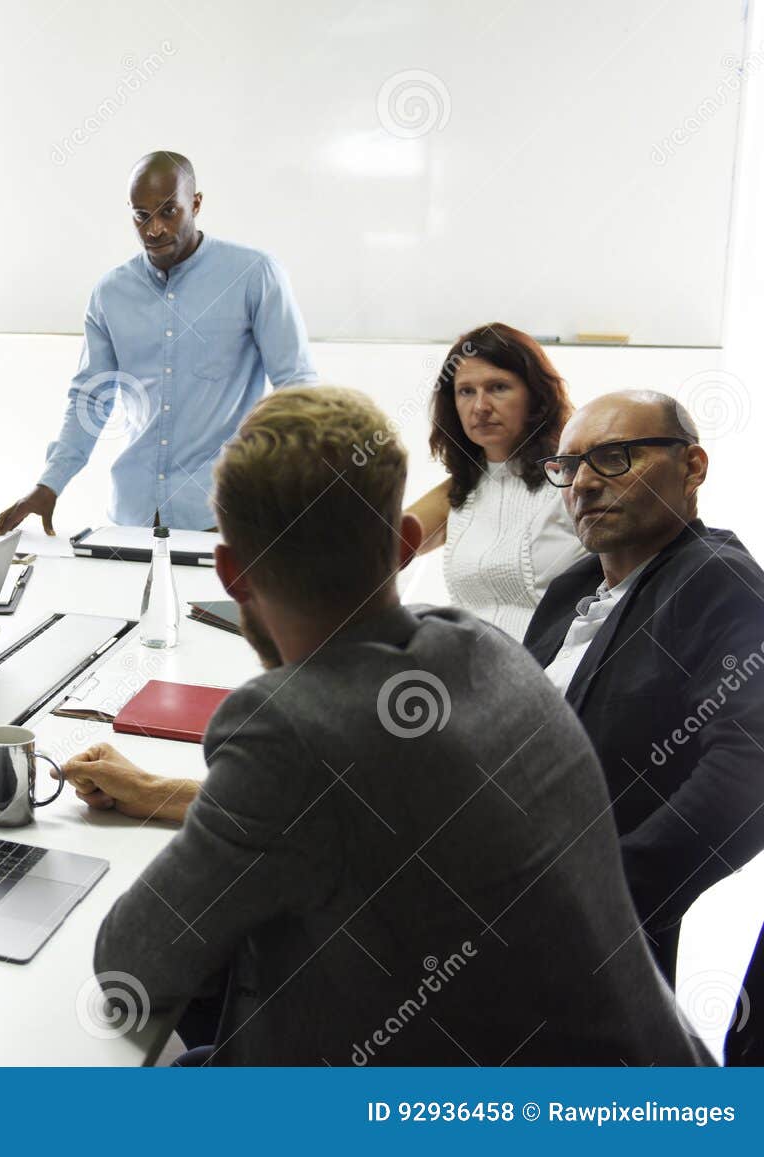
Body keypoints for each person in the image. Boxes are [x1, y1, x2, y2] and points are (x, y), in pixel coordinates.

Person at [65, 386, 700, 1065]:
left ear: (231, 572)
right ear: (403, 545)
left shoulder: (286, 729)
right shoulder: (488, 655)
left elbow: (130, 965)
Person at [524, 390, 764, 982]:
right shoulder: (568, 593)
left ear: (694, 467)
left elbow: (748, 769)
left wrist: (608, 899)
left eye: (615, 456)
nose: (582, 484)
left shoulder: (717, 578)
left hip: (588, 948)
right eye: (569, 465)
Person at [0, 151, 317, 534]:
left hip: (223, 517)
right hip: (132, 517)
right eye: (141, 215)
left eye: (168, 212)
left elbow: (296, 386)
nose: (154, 229)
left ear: (195, 204)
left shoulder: (254, 275)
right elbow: (91, 397)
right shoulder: (110, 293)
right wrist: (50, 483)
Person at [403, 323, 585, 639]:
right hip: (469, 671)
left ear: (536, 396)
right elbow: (378, 552)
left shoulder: (576, 479)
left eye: (498, 387)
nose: (480, 407)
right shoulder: (461, 490)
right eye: (466, 391)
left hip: (556, 674)